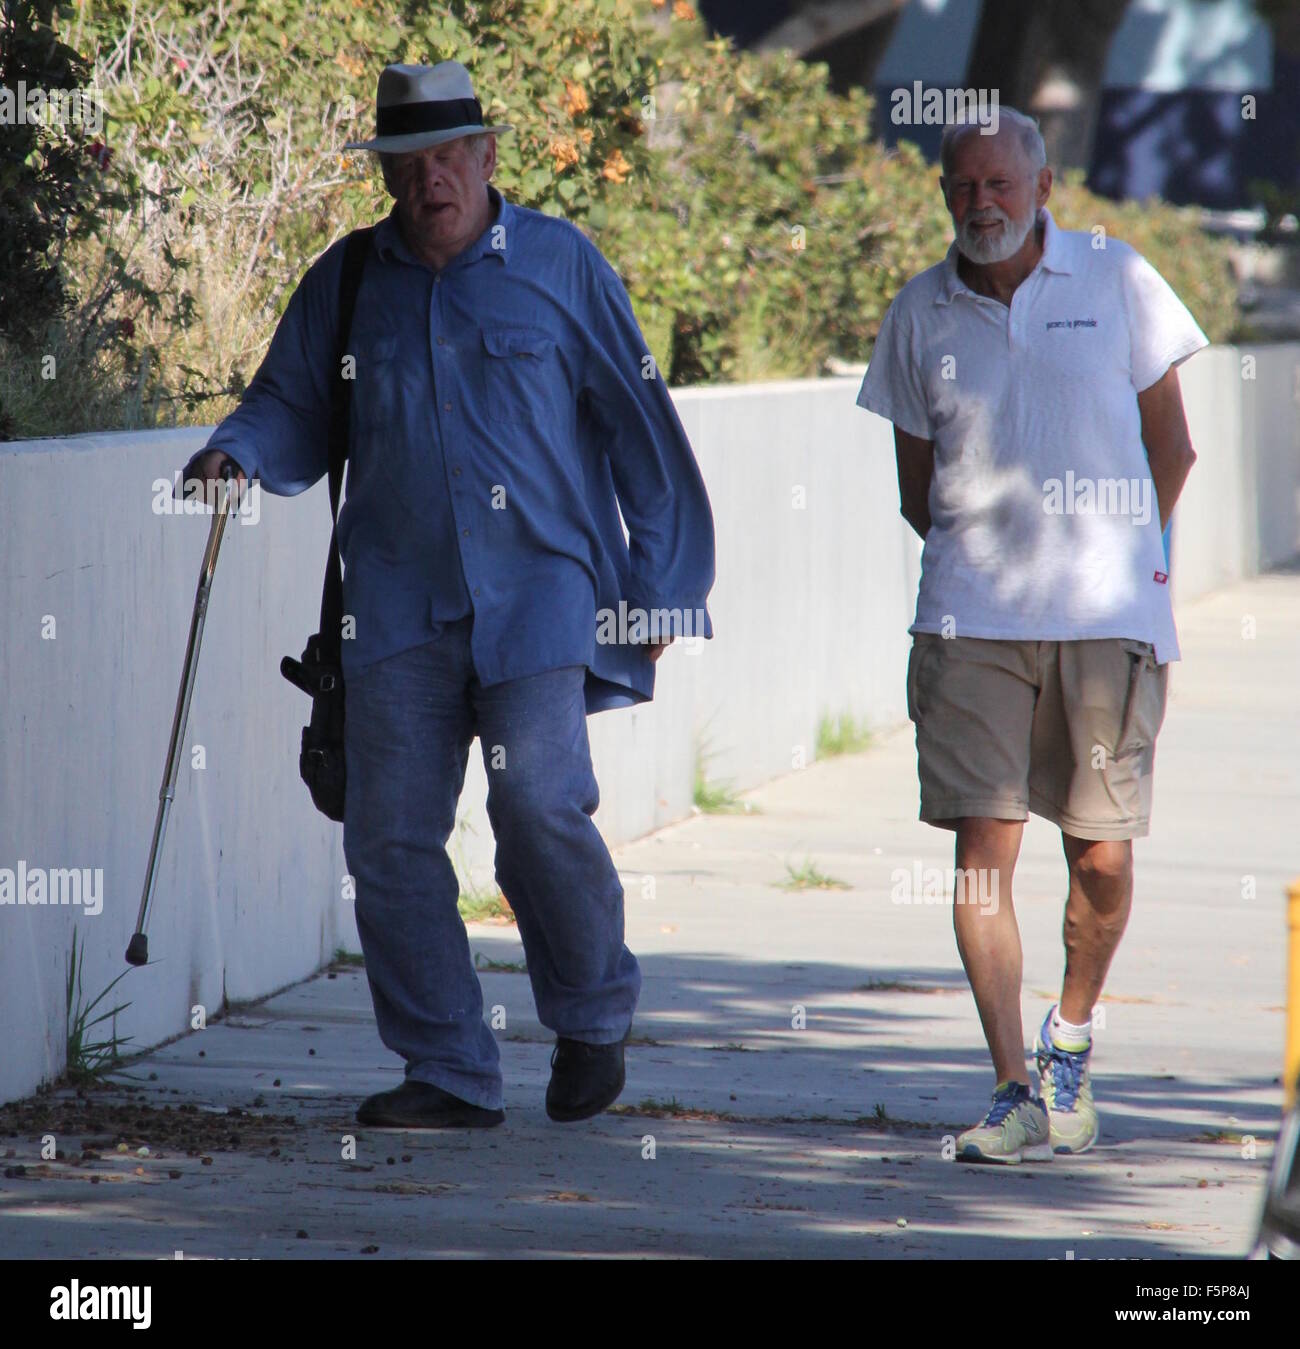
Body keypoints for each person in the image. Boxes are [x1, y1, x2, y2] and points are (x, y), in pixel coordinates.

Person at [183, 61, 715, 1129]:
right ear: (386, 175)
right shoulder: (345, 282)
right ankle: (450, 1070)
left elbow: (641, 427)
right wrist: (234, 453)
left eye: (448, 156)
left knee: (535, 803)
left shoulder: (561, 267)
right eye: (408, 163)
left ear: (486, 156)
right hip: (393, 602)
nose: (432, 179)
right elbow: (286, 403)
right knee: (387, 836)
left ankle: (592, 1013)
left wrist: (660, 590)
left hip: (541, 595)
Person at [856, 107, 1204, 1163]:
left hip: (1107, 620)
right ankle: (1011, 1085)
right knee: (982, 853)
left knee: (1099, 853)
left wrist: (1130, 565)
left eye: (1000, 184)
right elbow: (920, 492)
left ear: (1044, 185)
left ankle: (1071, 1038)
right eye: (961, 187)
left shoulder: (1118, 280)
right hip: (971, 620)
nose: (980, 204)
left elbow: (1172, 449)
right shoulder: (919, 312)